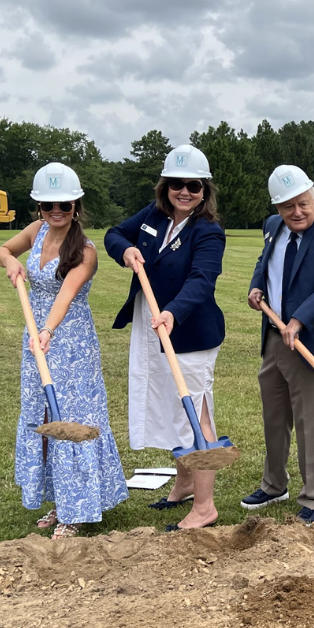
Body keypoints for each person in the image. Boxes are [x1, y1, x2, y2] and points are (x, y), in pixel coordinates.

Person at [0, 162, 128, 539]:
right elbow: (2, 250)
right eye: (48, 204)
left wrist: (47, 331)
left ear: (76, 206)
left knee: (72, 418)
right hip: (34, 337)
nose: (56, 211)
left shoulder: (85, 251)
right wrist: (10, 263)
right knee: (44, 415)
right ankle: (61, 501)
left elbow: (66, 296)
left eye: (64, 205)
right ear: (38, 207)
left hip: (70, 343)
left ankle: (79, 509)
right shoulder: (36, 232)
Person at [104, 144, 226, 530]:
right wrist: (125, 250)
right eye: (176, 184)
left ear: (204, 190)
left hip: (189, 330)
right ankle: (185, 483)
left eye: (192, 185)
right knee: (170, 405)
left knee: (194, 412)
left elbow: (200, 281)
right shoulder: (154, 216)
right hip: (152, 325)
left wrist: (173, 312)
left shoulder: (208, 232)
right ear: (165, 186)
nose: (184, 192)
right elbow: (113, 234)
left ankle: (205, 507)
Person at [244, 165, 314, 524]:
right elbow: (266, 264)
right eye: (288, 207)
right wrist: (256, 286)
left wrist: (300, 319)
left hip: (313, 343)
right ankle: (274, 484)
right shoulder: (272, 228)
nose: (297, 212)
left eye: (303, 203)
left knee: (312, 422)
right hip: (275, 340)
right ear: (277, 209)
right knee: (274, 418)